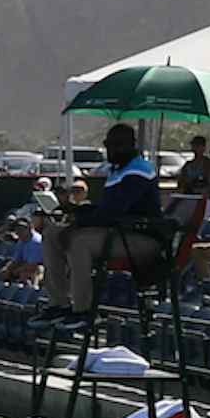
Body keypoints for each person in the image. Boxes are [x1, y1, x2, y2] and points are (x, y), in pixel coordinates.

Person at [41, 123, 161, 313]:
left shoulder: (140, 170)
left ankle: (83, 310)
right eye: (108, 144)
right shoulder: (117, 170)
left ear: (130, 145)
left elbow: (114, 212)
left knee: (78, 242)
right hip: (117, 233)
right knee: (52, 234)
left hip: (141, 238)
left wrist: (78, 224)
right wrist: (76, 210)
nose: (110, 149)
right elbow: (105, 210)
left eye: (116, 144)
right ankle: (59, 304)